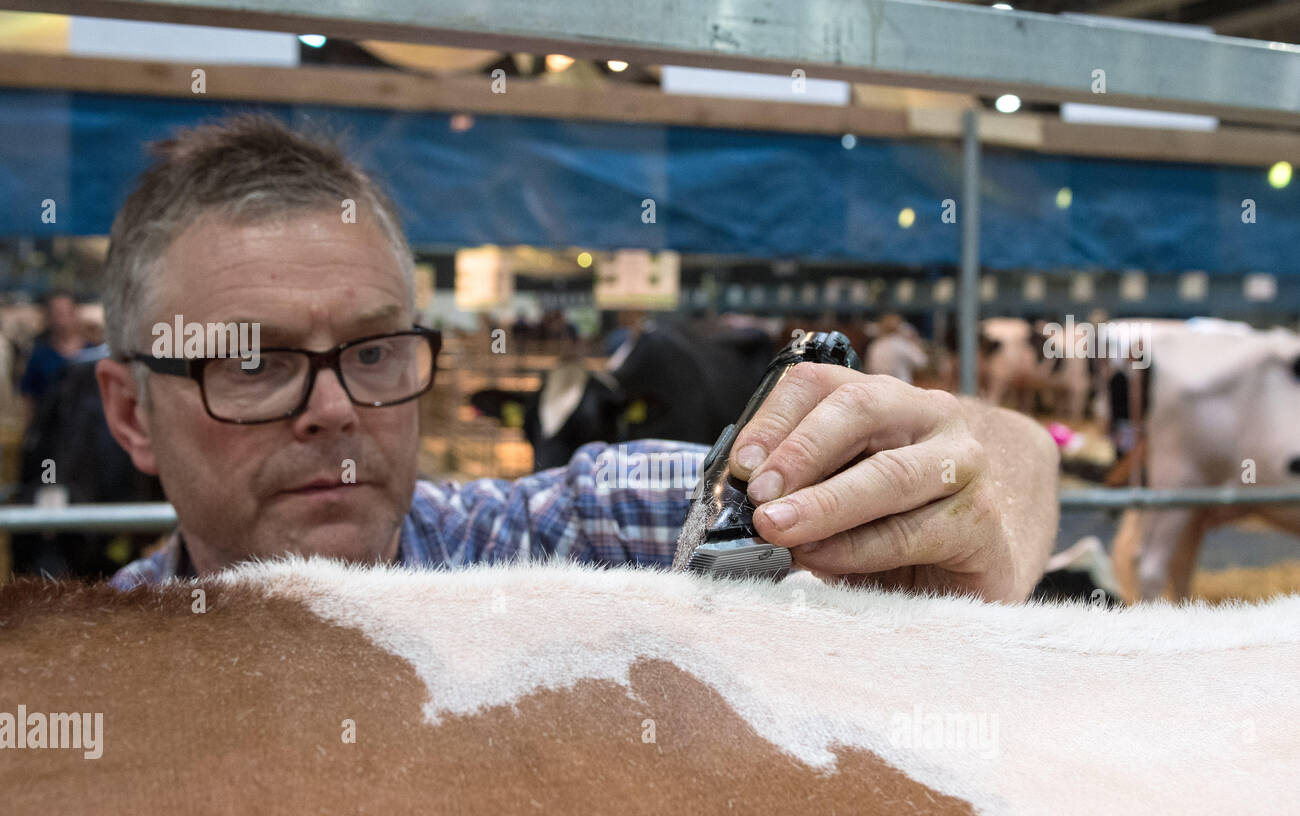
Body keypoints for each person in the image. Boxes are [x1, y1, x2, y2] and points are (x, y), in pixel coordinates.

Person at [99, 114, 1059, 603]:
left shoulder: (570, 542)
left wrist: (969, 475)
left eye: (376, 350)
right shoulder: (84, 668)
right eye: (254, 365)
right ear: (132, 411)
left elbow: (1021, 451)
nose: (335, 409)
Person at [18, 291, 90, 428]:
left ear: (75, 313)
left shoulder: (93, 354)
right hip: (51, 432)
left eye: (65, 312)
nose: (61, 319)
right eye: (56, 313)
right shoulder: (39, 356)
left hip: (86, 431)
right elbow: (29, 399)